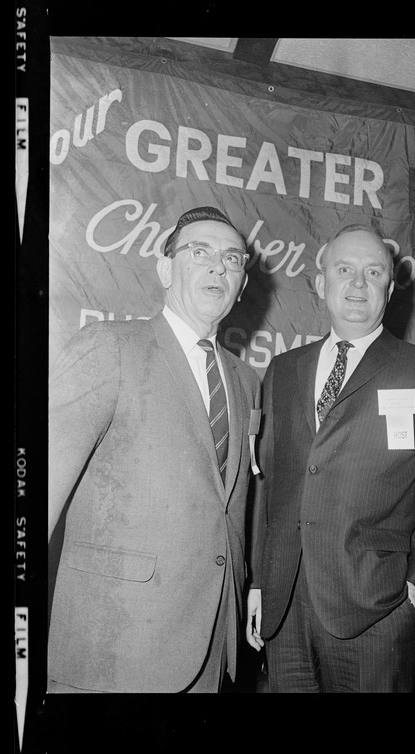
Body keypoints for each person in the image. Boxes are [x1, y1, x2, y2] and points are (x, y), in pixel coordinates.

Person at [47, 206, 261, 693]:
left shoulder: (246, 381)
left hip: (210, 646)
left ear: (243, 284)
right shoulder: (110, 348)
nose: (218, 267)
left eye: (232, 259)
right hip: (112, 644)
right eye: (199, 252)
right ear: (166, 269)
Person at [246, 224, 415, 692]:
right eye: (345, 270)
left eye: (374, 272)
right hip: (285, 610)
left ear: (390, 288)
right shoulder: (283, 371)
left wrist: (414, 593)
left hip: (378, 611)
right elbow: (269, 489)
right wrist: (261, 582)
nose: (359, 283)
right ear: (321, 283)